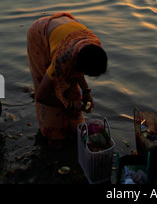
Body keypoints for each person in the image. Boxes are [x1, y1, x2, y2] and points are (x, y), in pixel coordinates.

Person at [27, 13, 107, 145]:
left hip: (66, 32)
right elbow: (41, 96)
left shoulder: (93, 46)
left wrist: (86, 92)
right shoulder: (62, 60)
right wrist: (68, 104)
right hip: (39, 34)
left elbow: (77, 71)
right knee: (49, 93)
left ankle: (71, 124)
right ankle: (53, 131)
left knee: (72, 94)